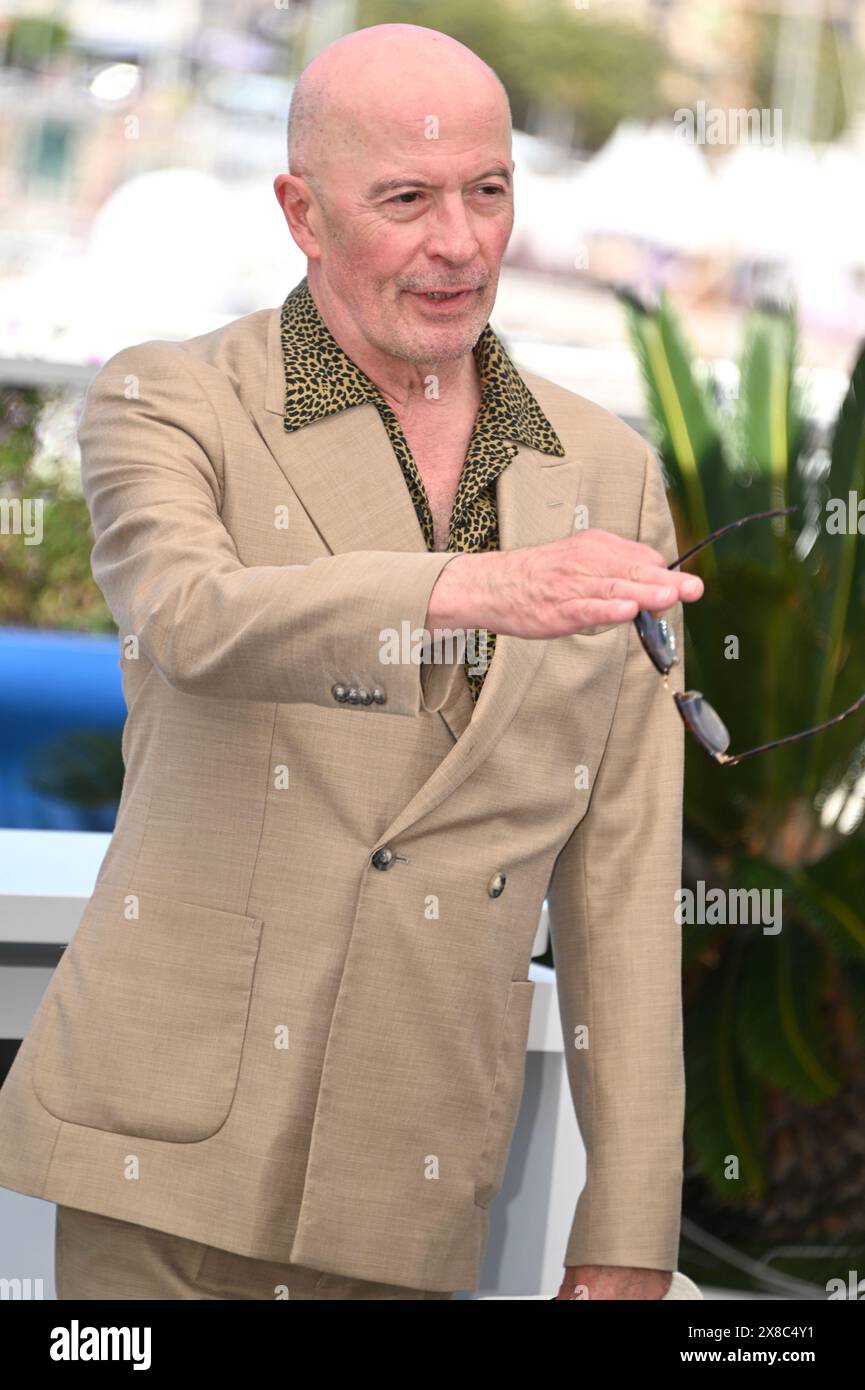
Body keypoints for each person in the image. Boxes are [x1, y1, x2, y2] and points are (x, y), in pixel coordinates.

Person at [0, 23, 703, 1300]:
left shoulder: (610, 470)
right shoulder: (168, 400)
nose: (460, 241)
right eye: (407, 199)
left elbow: (622, 873)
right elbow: (191, 618)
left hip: (416, 1169)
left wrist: (626, 1229)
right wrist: (475, 587)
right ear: (301, 211)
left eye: (488, 190)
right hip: (161, 1161)